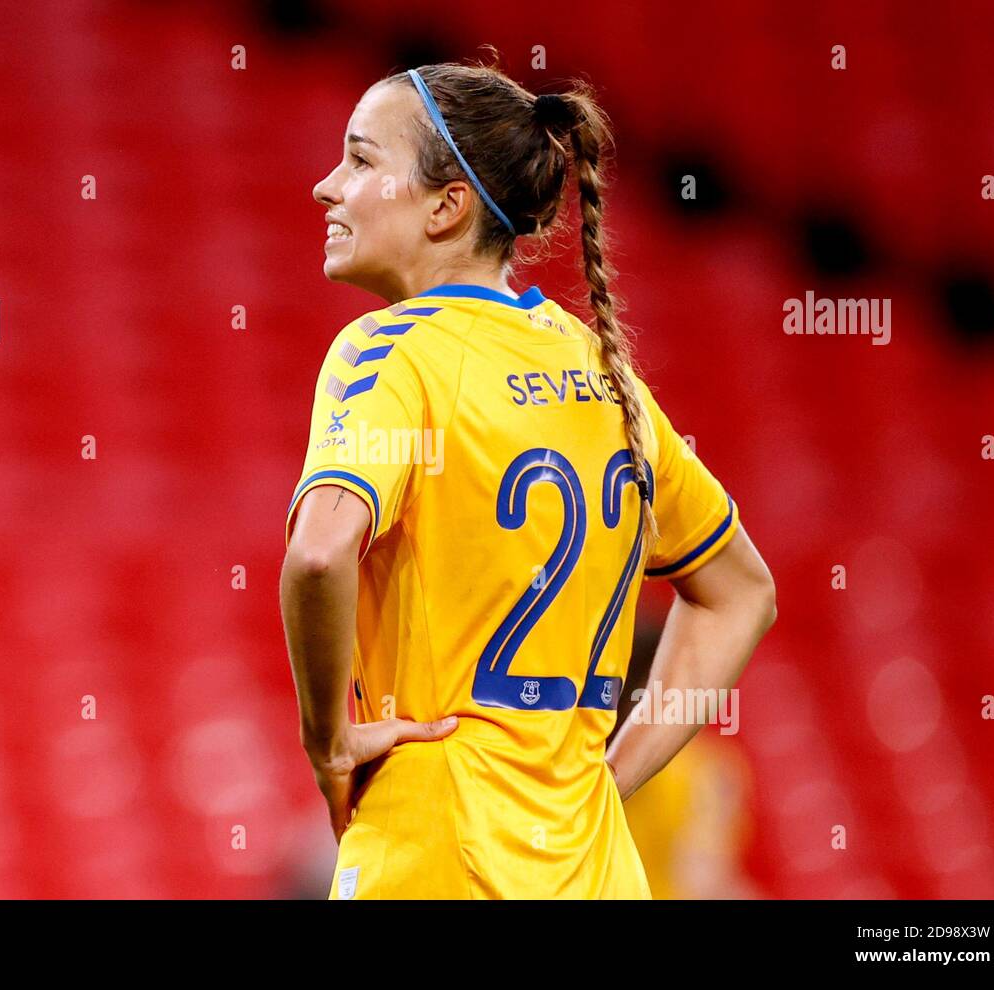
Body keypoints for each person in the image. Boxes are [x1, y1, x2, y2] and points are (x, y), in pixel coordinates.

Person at [279, 58, 777, 899]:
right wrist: (612, 778)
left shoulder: (391, 349)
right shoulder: (602, 369)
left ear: (448, 205)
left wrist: (327, 745)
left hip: (439, 847)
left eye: (361, 161)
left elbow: (320, 555)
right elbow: (741, 593)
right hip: (596, 866)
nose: (328, 188)